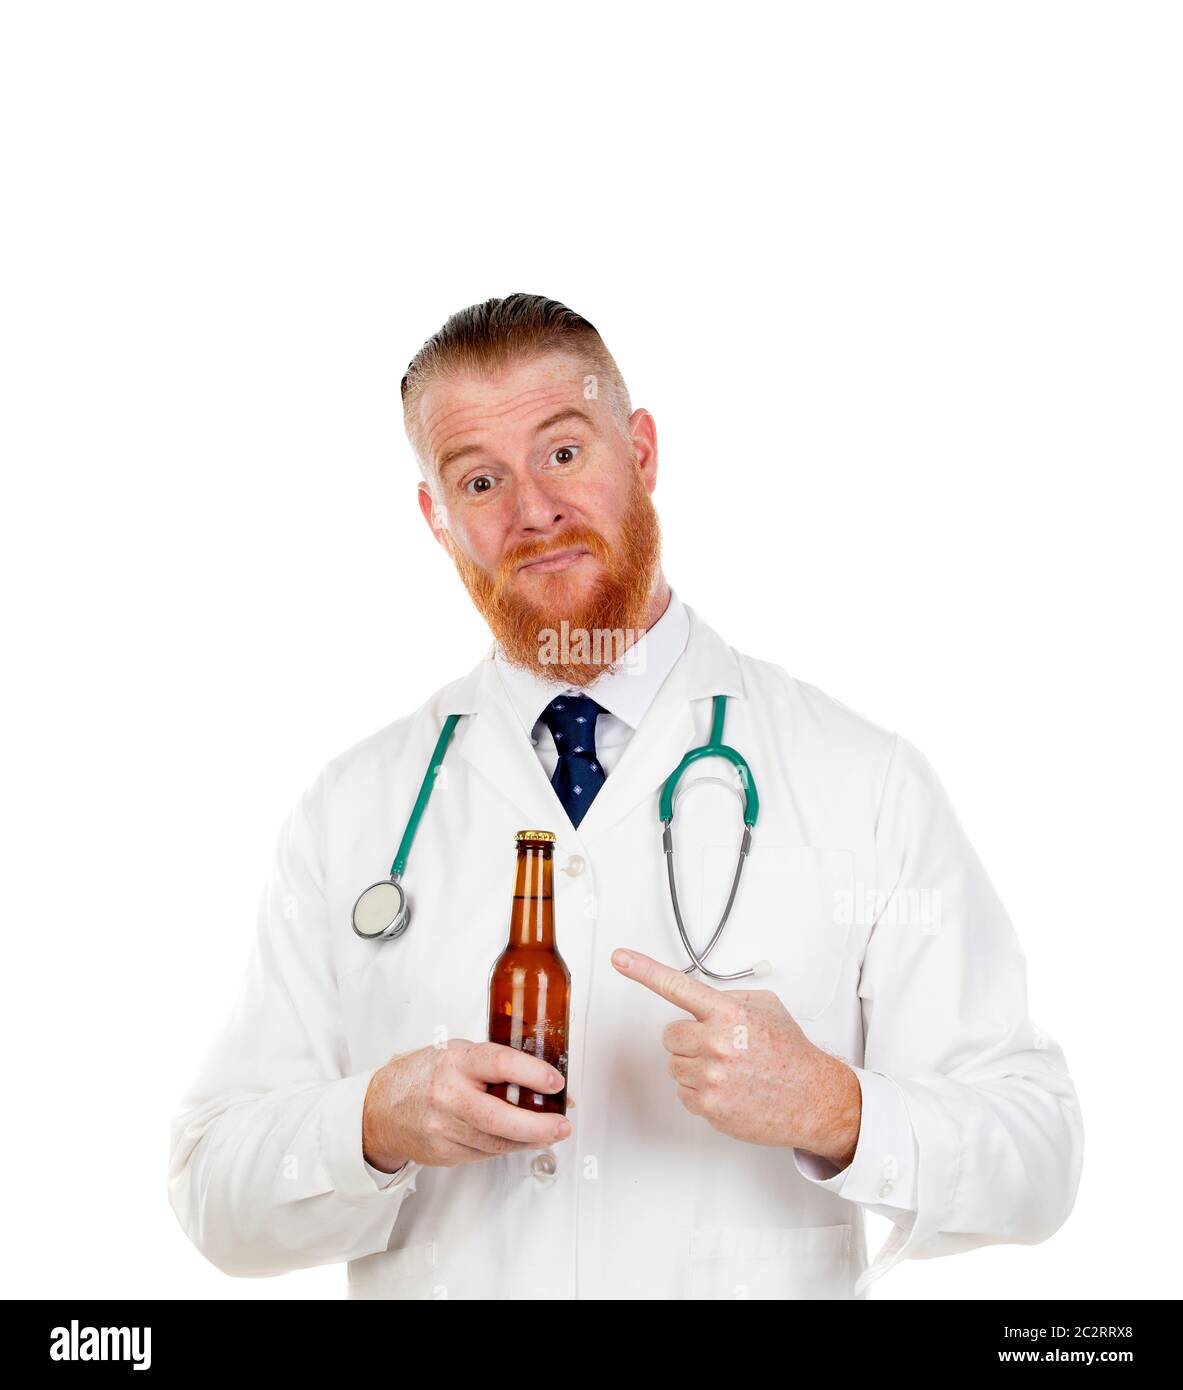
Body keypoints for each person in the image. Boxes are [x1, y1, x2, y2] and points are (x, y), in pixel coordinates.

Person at [167, 293, 1083, 1300]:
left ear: (641, 450)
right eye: (479, 478)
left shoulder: (860, 778)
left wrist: (833, 1104)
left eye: (563, 453)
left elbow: (1038, 1156)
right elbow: (212, 1190)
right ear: (437, 517)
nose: (533, 509)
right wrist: (372, 1125)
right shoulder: (352, 809)